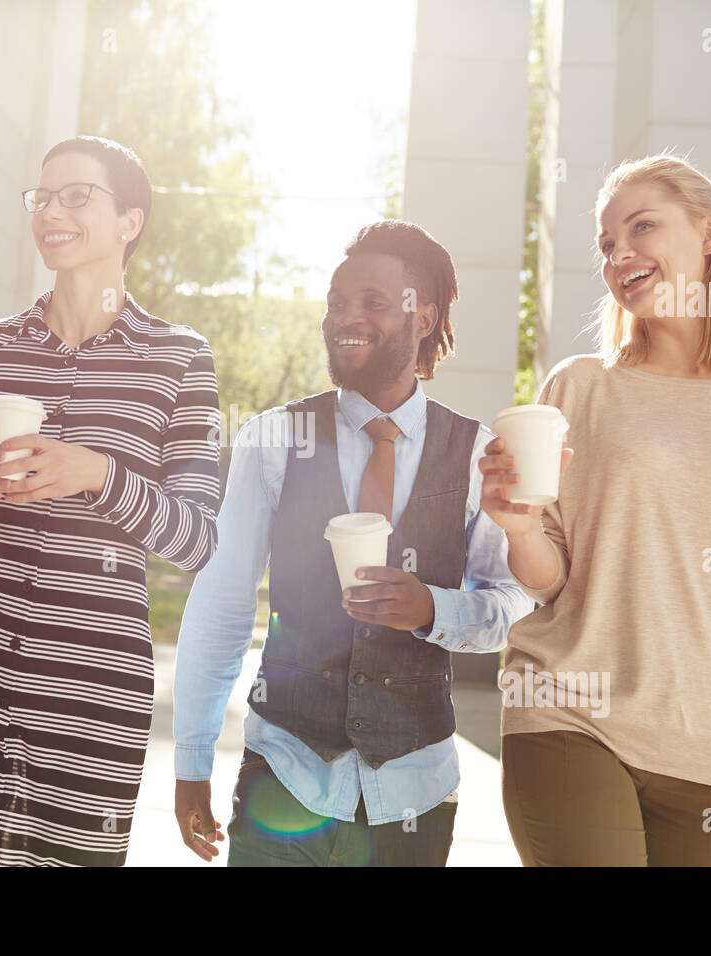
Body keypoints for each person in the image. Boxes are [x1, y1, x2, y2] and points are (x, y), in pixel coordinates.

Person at [0, 136, 220, 867]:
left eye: (76, 196)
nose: (50, 212)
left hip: (93, 684)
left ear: (130, 221)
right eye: (42, 197)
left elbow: (196, 538)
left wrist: (99, 473)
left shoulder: (180, 357)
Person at [484, 154, 711, 866]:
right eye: (607, 243)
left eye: (641, 227)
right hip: (569, 713)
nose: (620, 254)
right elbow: (548, 577)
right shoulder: (581, 388)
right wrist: (521, 530)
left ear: (708, 233)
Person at [173, 219, 534, 866]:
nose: (348, 317)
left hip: (414, 799)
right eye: (338, 302)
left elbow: (508, 607)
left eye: (373, 301)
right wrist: (192, 758)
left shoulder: (477, 453)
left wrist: (433, 610)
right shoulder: (273, 439)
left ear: (424, 318)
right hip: (282, 781)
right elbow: (222, 602)